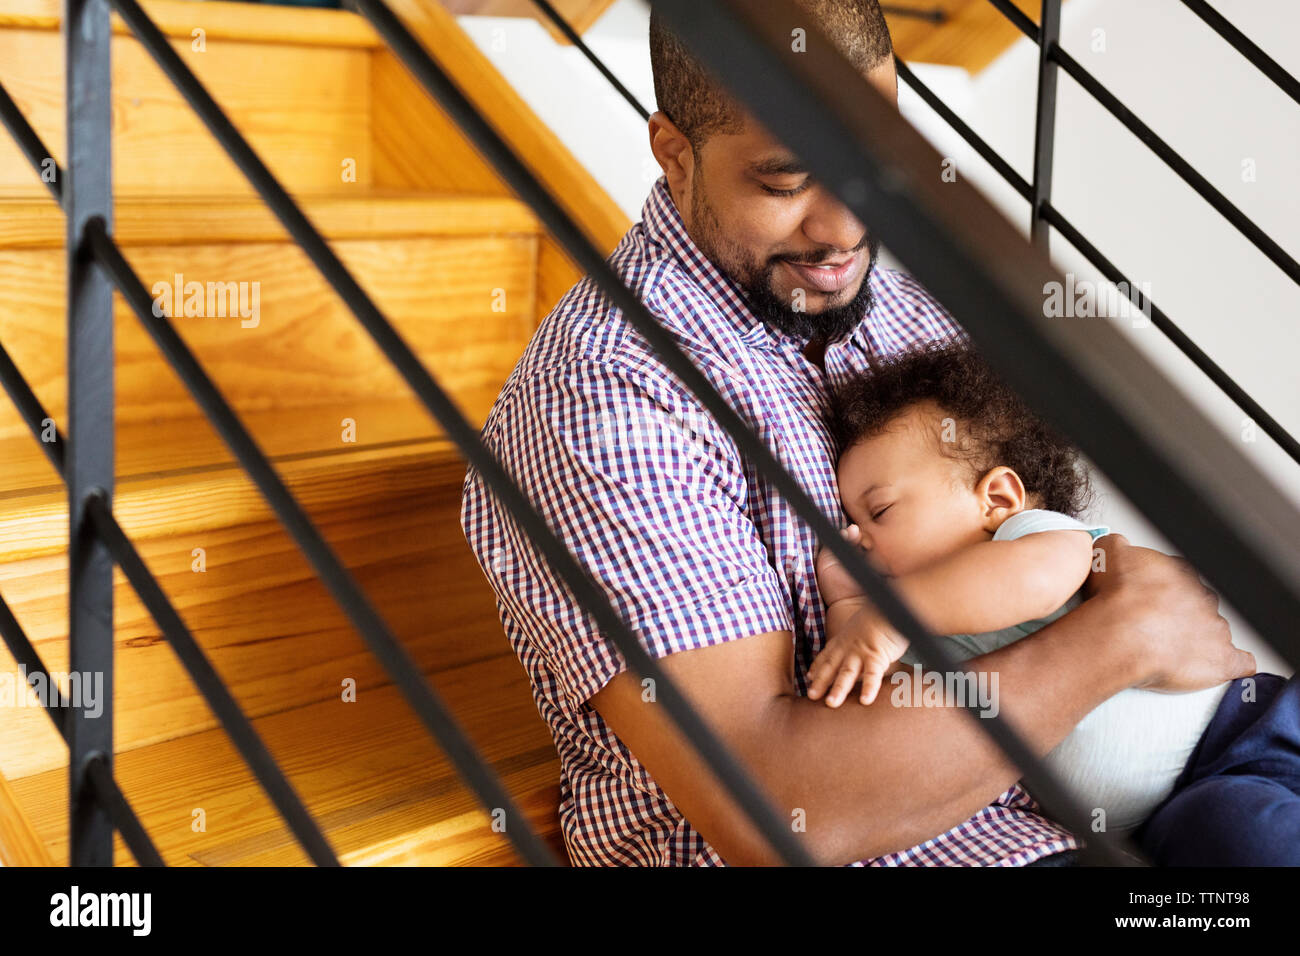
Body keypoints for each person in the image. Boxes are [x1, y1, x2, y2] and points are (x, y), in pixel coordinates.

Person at [459, 0, 1253, 866]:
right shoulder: (610, 394)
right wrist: (1122, 635)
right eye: (785, 179)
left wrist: (1114, 577)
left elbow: (1035, 541)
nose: (842, 228)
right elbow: (782, 812)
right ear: (674, 155)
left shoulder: (904, 309)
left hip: (1074, 820)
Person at [809, 341, 1300, 865]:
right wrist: (848, 607)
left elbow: (1036, 579)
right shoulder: (924, 639)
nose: (856, 535)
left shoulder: (1031, 540)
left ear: (997, 500)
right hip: (1175, 815)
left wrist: (886, 618)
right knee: (1236, 840)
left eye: (879, 510)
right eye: (850, 520)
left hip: (1243, 730)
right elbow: (871, 700)